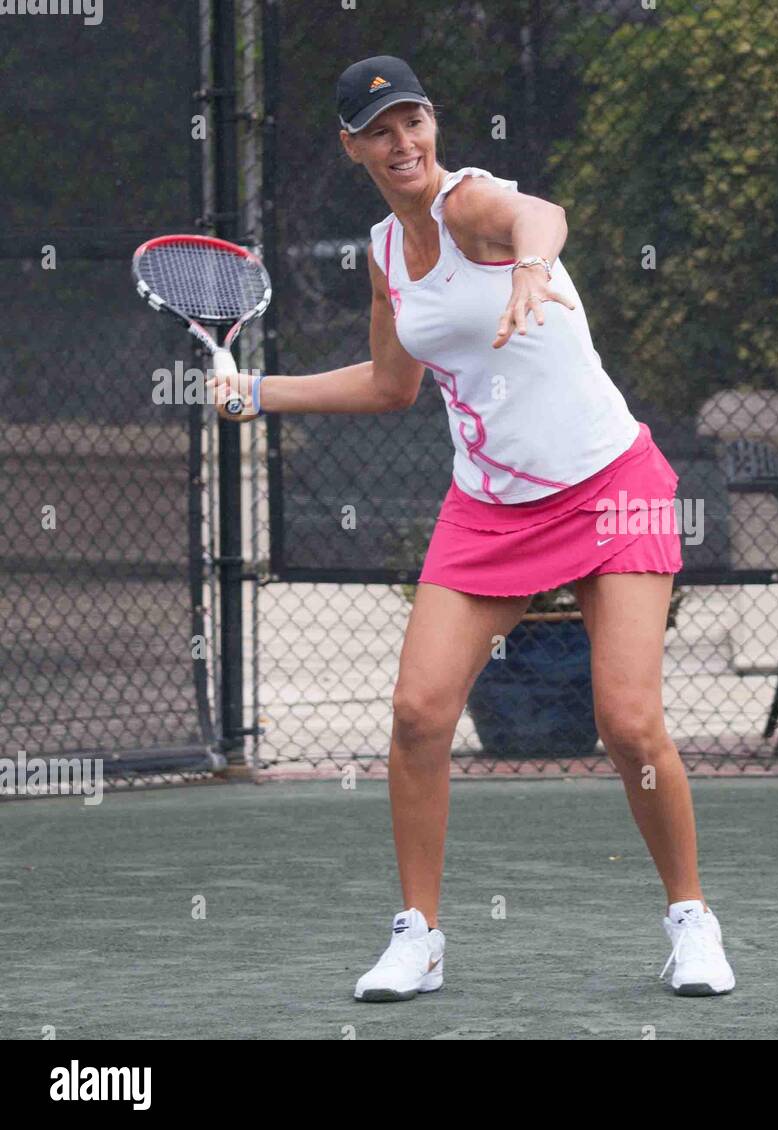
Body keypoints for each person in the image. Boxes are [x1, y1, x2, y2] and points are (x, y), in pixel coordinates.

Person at [210, 55, 736, 1000]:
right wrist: (256, 391)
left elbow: (544, 218)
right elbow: (388, 385)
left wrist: (532, 268)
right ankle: (419, 935)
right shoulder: (382, 254)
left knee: (626, 720)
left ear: (433, 126)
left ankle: (691, 919)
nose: (401, 143)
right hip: (489, 508)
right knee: (417, 716)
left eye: (412, 121)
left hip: (610, 485)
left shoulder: (474, 205)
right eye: (379, 130)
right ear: (352, 147)